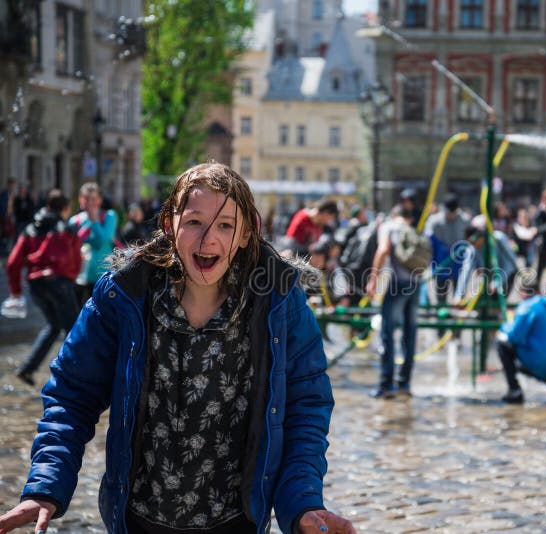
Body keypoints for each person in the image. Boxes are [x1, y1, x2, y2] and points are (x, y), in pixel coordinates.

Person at [0, 163, 355, 534]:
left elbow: (305, 407)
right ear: (169, 225)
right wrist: (46, 486)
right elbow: (72, 395)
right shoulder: (124, 294)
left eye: (225, 225)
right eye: (194, 223)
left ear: (246, 234)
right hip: (137, 520)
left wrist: (302, 503)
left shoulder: (280, 302)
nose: (208, 240)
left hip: (237, 522)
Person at [5, 189, 82, 385]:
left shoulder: (30, 228)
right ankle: (72, 376)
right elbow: (74, 260)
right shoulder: (65, 228)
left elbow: (13, 262)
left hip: (35, 285)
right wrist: (70, 279)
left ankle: (27, 368)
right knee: (75, 330)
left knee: (54, 325)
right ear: (65, 208)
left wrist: (15, 290)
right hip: (60, 282)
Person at [366, 205, 423, 399]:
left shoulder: (388, 227)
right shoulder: (412, 229)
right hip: (416, 284)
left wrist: (373, 279)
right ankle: (404, 383)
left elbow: (383, 251)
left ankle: (386, 385)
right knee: (410, 333)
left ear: (393, 215)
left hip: (397, 284)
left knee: (387, 333)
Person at [496, 270, 546, 407]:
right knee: (538, 355)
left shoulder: (527, 307)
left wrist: (504, 326)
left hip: (539, 359)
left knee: (502, 344)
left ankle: (514, 390)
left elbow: (513, 336)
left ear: (523, 292)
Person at [68, 182, 119, 303]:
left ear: (100, 200)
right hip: (79, 276)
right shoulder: (74, 221)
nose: (90, 203)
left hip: (102, 275)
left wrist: (94, 221)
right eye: (86, 198)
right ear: (80, 199)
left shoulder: (109, 216)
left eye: (93, 199)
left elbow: (103, 241)